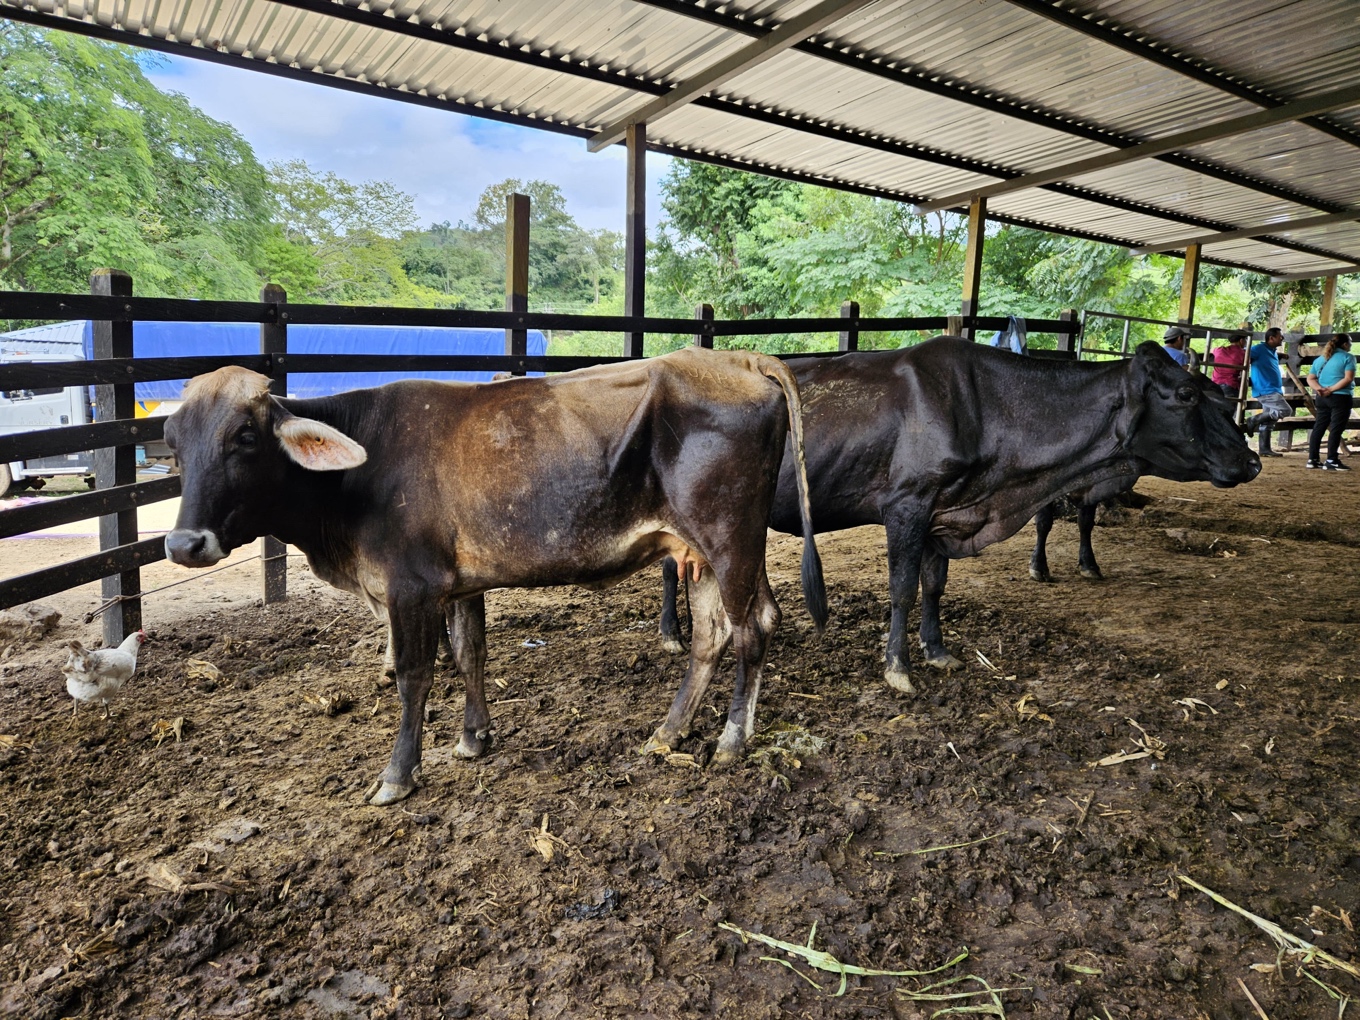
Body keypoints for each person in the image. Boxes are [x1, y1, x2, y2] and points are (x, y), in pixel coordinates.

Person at [1306, 333, 1355, 471]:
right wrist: (1331, 389)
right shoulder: (1348, 357)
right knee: (1336, 428)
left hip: (1321, 398)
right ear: (1345, 344)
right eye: (1350, 342)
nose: (1350, 345)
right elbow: (1348, 378)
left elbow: (1310, 378)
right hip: (1341, 397)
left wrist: (1320, 389)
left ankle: (1313, 459)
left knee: (1319, 427)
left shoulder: (1321, 359)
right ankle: (1332, 459)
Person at [1244, 327, 1290, 457]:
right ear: (1271, 338)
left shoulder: (1272, 351)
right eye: (1280, 336)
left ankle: (1264, 449)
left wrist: (1280, 355)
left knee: (1268, 420)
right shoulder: (1258, 349)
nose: (1282, 338)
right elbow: (1244, 354)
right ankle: (1253, 419)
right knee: (1285, 411)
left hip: (1273, 388)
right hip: (1265, 389)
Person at [1210, 332, 1248, 399]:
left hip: (1215, 384)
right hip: (1230, 385)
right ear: (1241, 340)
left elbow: (1211, 350)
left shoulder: (1219, 350)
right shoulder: (1243, 353)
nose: (1246, 342)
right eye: (1245, 340)